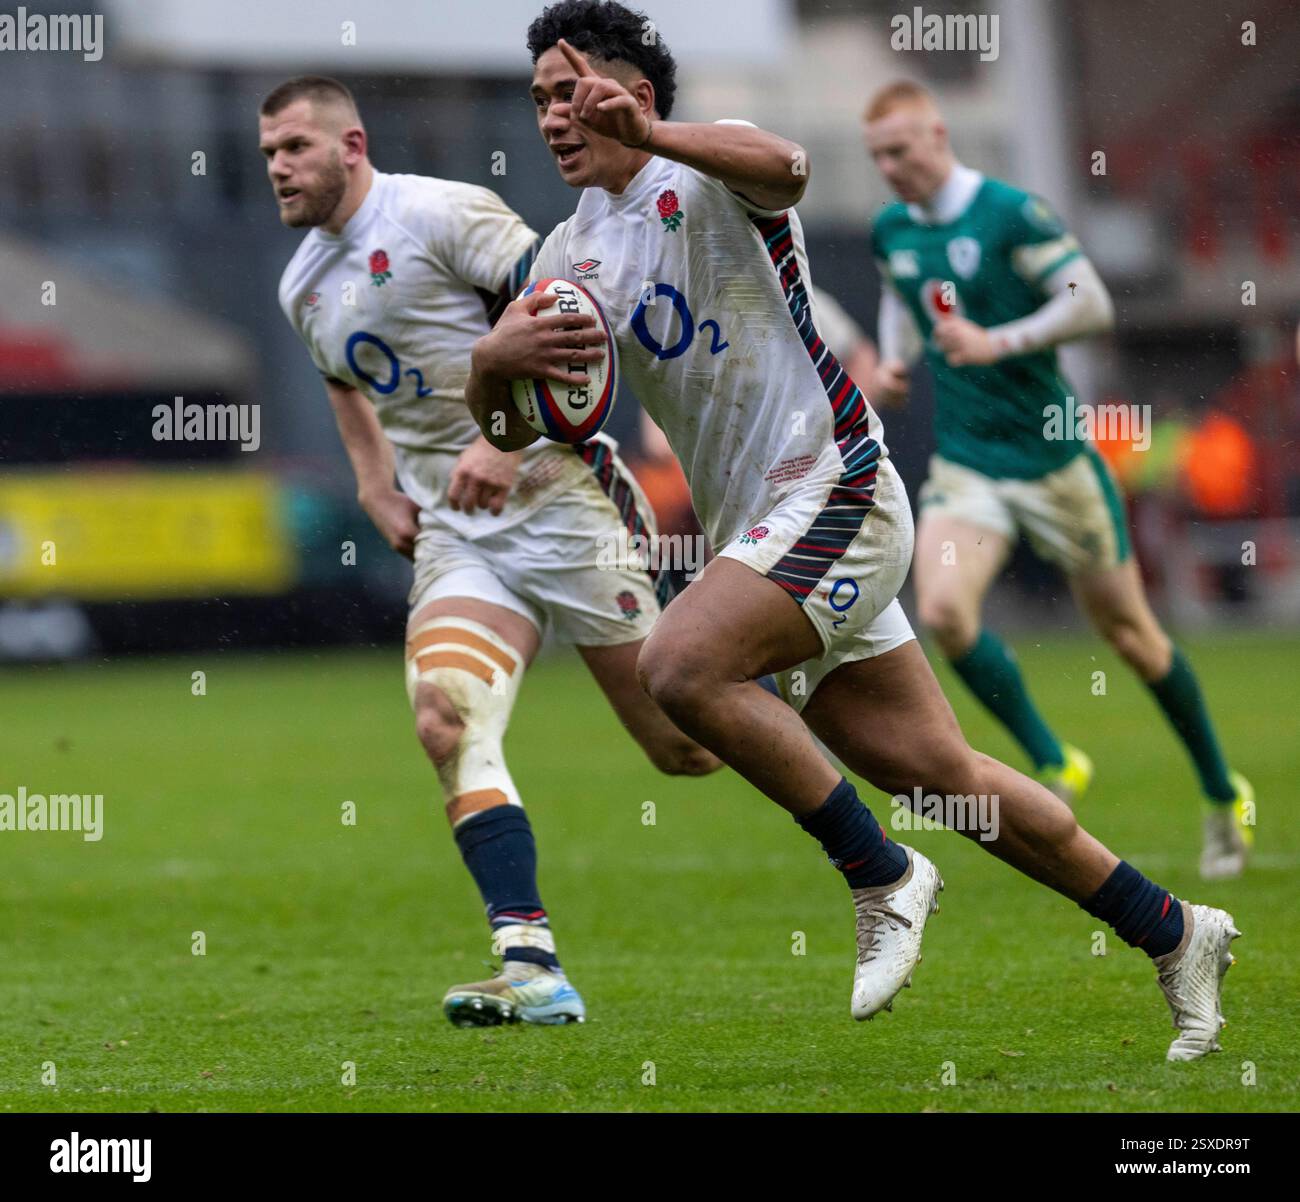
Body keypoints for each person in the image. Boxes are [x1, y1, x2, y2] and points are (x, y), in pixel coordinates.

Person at [464, 1, 1240, 1061]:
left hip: (838, 488)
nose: (553, 114)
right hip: (768, 532)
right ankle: (1175, 929)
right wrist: (488, 366)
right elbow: (537, 425)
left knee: (680, 665)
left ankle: (880, 873)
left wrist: (651, 138)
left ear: (635, 96)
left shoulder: (704, 172)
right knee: (949, 780)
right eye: (540, 98)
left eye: (571, 90)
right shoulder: (566, 250)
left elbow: (786, 163)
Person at [262, 74, 718, 1028]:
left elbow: (570, 314)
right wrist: (374, 481)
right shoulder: (302, 281)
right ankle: (533, 968)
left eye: (294, 148)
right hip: (458, 533)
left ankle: (842, 708)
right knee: (444, 718)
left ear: (351, 145)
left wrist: (498, 438)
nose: (277, 168)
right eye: (268, 154)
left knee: (686, 746)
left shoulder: (440, 213)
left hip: (563, 496)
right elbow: (343, 381)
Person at [863, 79, 1253, 880]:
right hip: (969, 463)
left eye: (900, 150)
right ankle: (1054, 759)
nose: (889, 168)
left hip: (1057, 460)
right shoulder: (893, 229)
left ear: (939, 135)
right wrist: (893, 362)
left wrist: (997, 342)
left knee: (1133, 639)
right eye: (876, 156)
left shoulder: (1010, 214)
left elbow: (1092, 303)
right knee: (943, 611)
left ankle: (1223, 792)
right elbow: (898, 297)